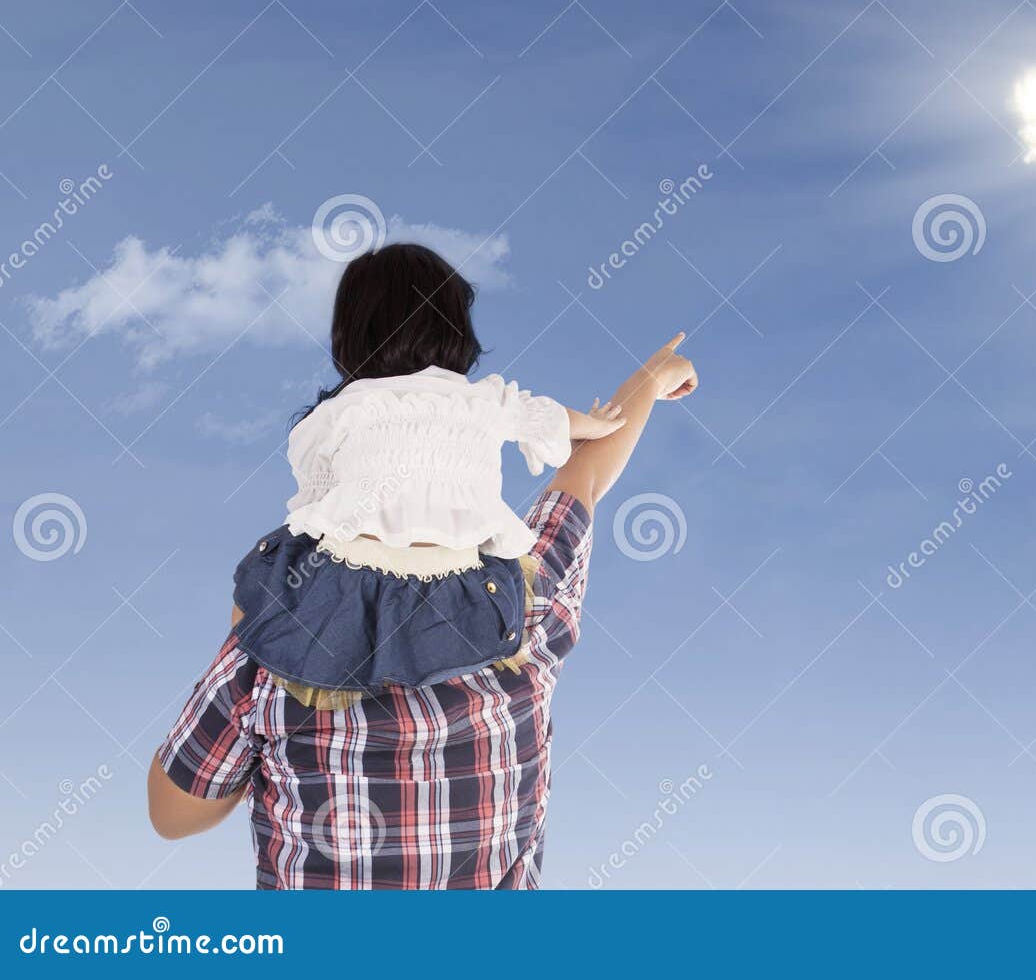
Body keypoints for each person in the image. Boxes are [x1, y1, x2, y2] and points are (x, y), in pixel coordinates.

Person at [146, 243, 698, 888]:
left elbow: (173, 816)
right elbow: (586, 470)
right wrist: (653, 380)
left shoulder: (271, 655)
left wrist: (269, 671)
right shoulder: (530, 610)